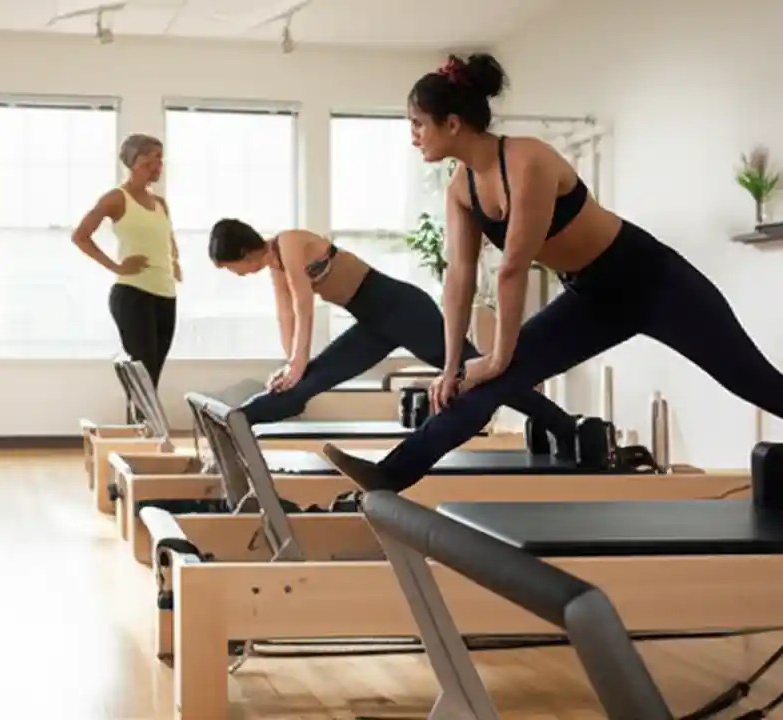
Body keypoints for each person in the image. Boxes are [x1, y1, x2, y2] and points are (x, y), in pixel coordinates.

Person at [324, 52, 783, 494]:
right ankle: (390, 475)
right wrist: (449, 368)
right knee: (474, 386)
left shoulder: (530, 161)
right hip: (590, 297)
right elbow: (459, 278)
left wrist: (499, 357)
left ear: (452, 123)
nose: (414, 136)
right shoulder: (461, 188)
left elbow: (513, 268)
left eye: (417, 124)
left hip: (654, 281)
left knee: (753, 381)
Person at [209, 218, 577, 445]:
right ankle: (235, 421)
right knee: (308, 383)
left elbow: (305, 306)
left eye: (229, 267)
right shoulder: (275, 269)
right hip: (373, 322)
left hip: (404, 309)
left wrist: (297, 362)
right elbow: (286, 317)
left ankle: (564, 425)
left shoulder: (287, 242)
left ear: (244, 251)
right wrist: (289, 369)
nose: (234, 274)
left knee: (474, 373)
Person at [72, 133, 181, 399]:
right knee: (142, 374)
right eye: (150, 161)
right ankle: (148, 436)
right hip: (133, 294)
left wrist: (175, 263)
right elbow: (80, 236)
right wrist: (116, 267)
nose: (157, 166)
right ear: (133, 162)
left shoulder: (160, 204)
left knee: (152, 375)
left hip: (165, 295)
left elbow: (168, 238)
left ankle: (145, 435)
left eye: (160, 159)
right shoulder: (116, 198)